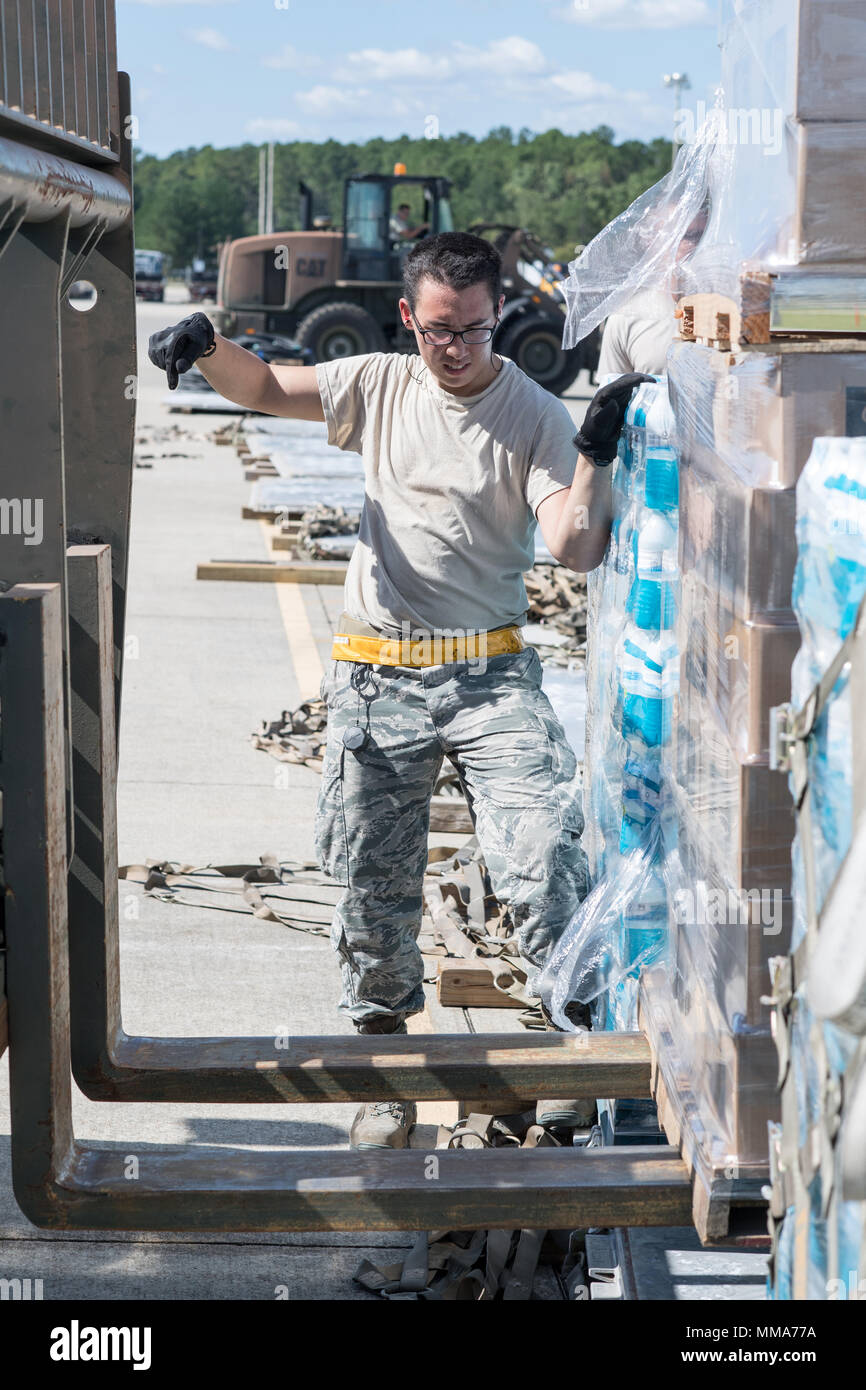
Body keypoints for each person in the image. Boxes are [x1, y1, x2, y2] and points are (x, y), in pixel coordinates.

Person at [149, 232, 650, 1150]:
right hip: (380, 674)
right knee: (373, 889)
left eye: (473, 331)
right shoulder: (377, 382)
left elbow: (575, 548)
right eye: (438, 331)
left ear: (496, 318)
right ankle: (384, 1079)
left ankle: (576, 1057)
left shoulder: (534, 413)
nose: (454, 349)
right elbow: (264, 388)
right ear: (410, 317)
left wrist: (595, 459)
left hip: (491, 671)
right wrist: (208, 344)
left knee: (542, 858)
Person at [597, 206, 709, 376]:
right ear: (657, 242)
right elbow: (611, 398)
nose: (701, 246)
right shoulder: (627, 317)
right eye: (689, 236)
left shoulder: (736, 311)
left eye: (707, 236)